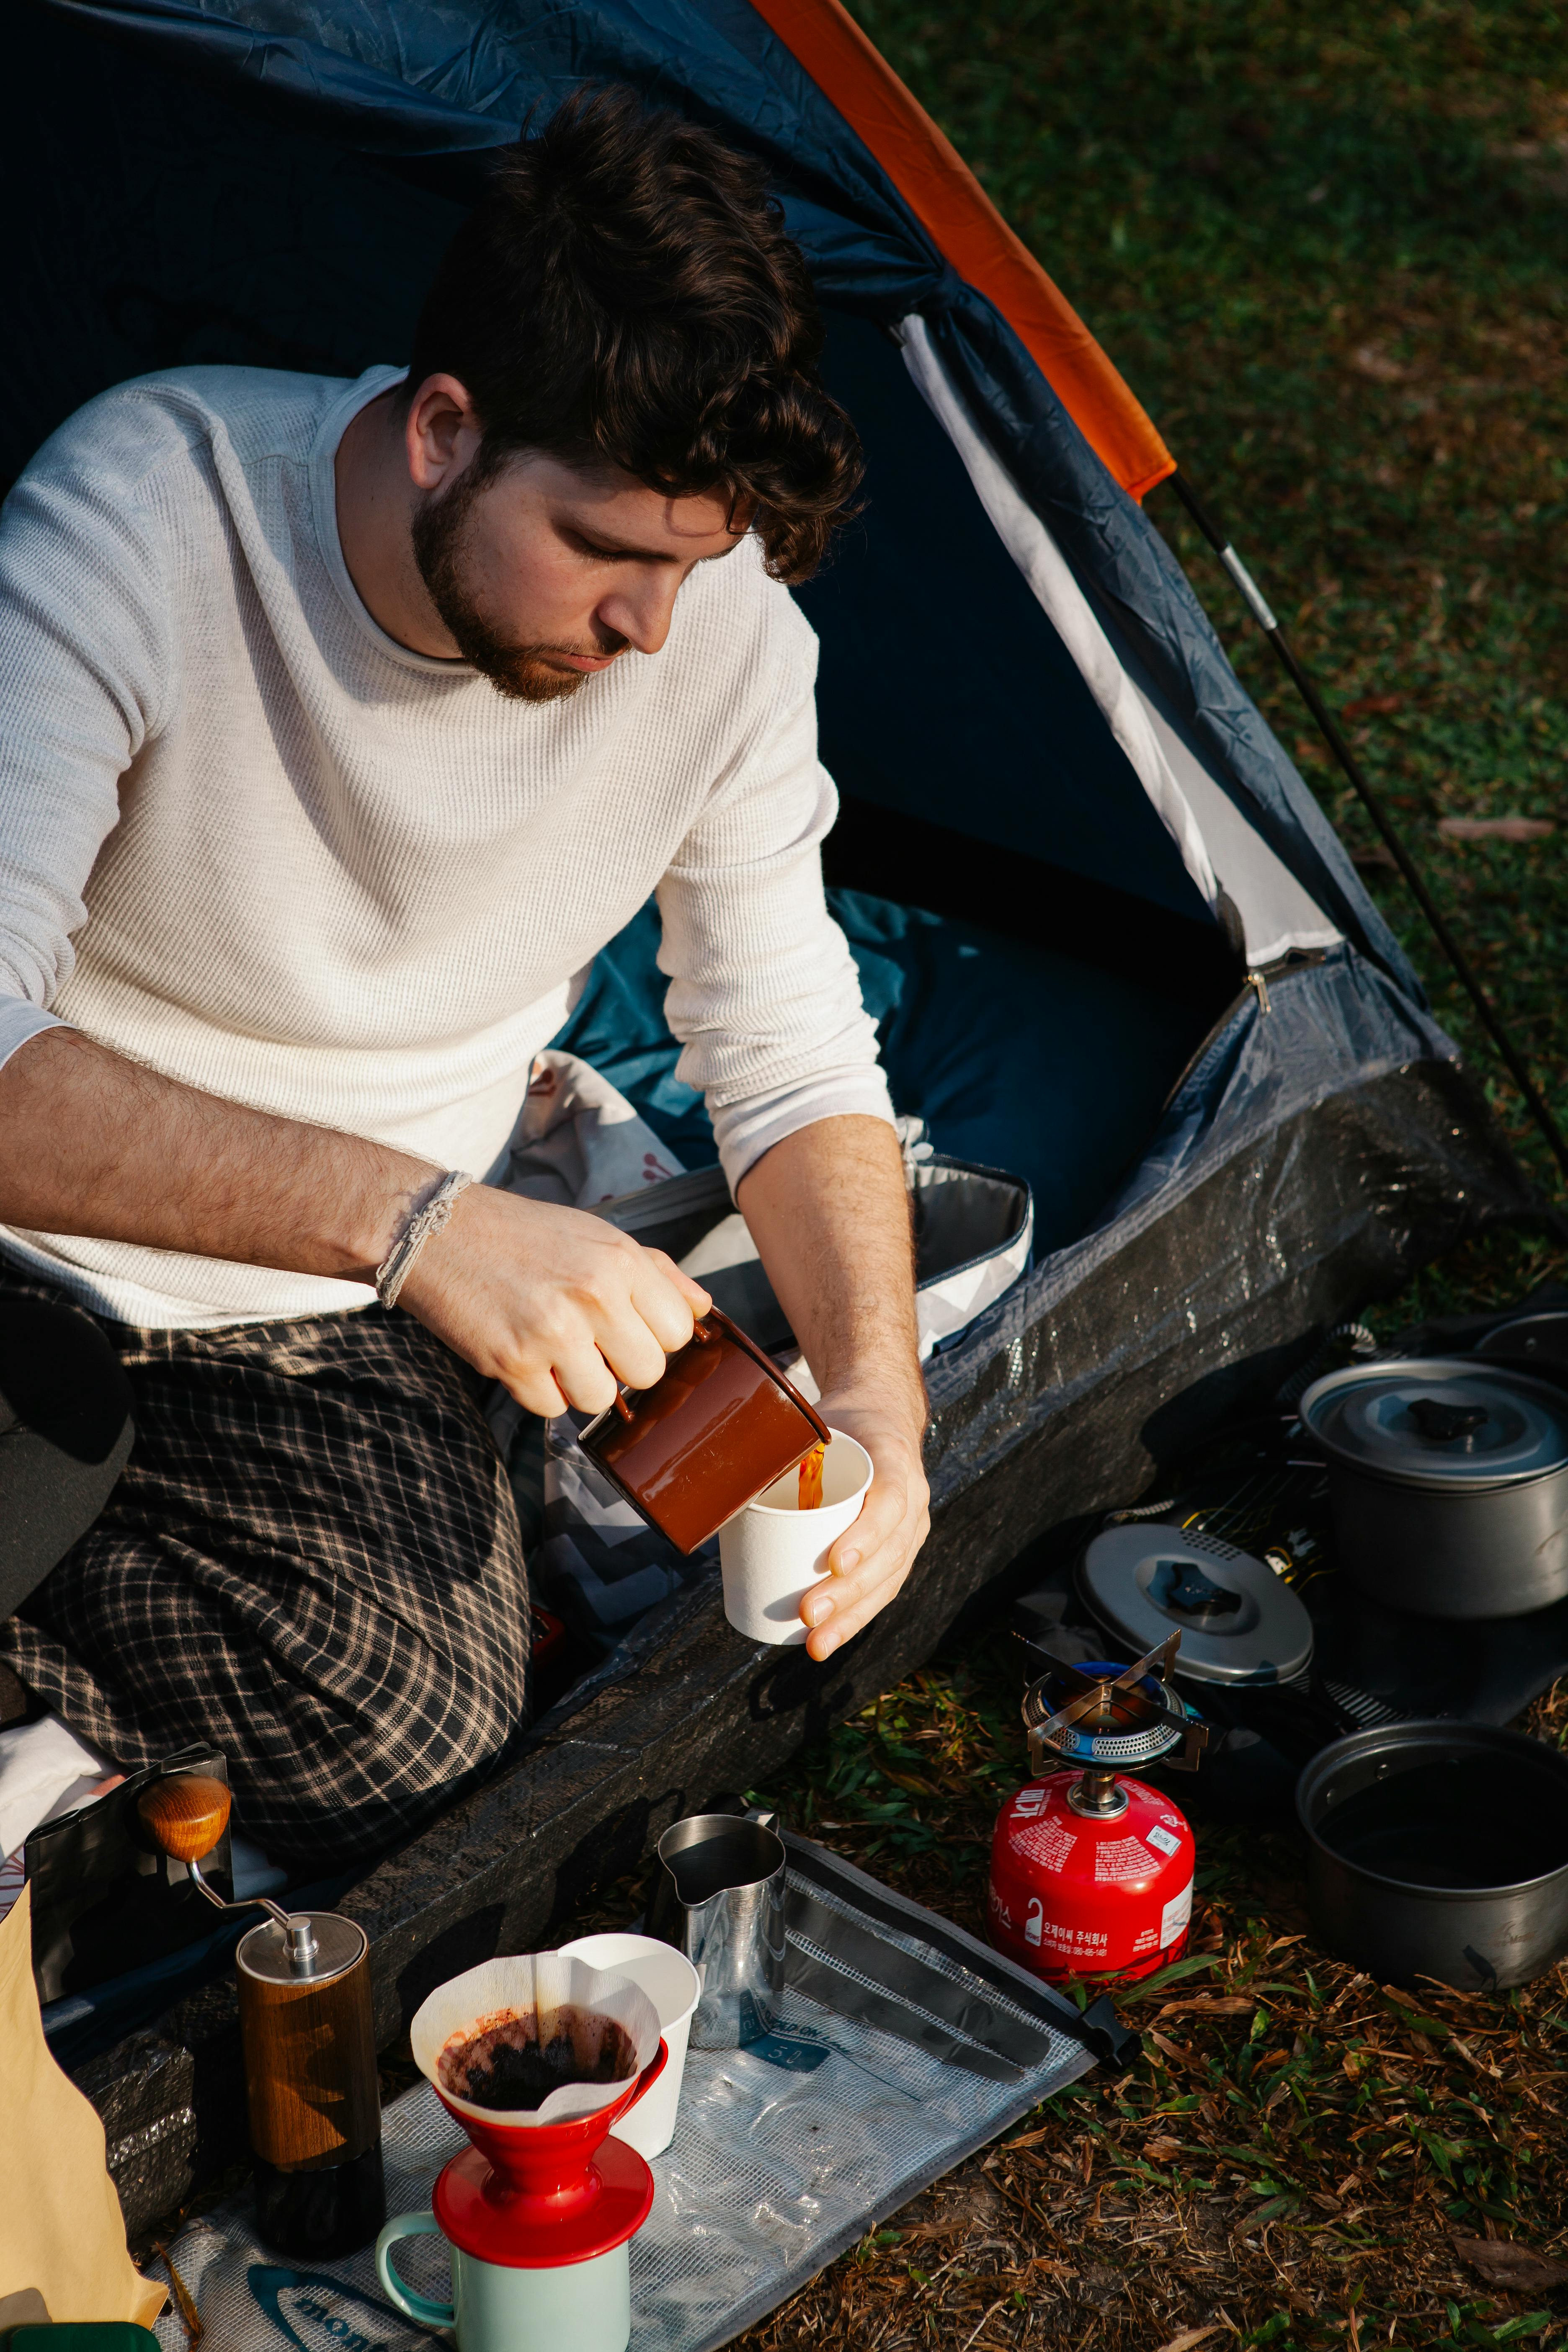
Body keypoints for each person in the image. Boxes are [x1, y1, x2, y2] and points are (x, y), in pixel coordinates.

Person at [0, 85, 929, 1869]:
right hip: (54, 1233)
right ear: (443, 430)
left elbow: (793, 1048)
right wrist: (424, 1225)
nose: (650, 627)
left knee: (423, 1719)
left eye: (697, 561)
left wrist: (880, 1394)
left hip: (314, 1315)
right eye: (611, 552)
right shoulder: (148, 511)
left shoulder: (714, 641)